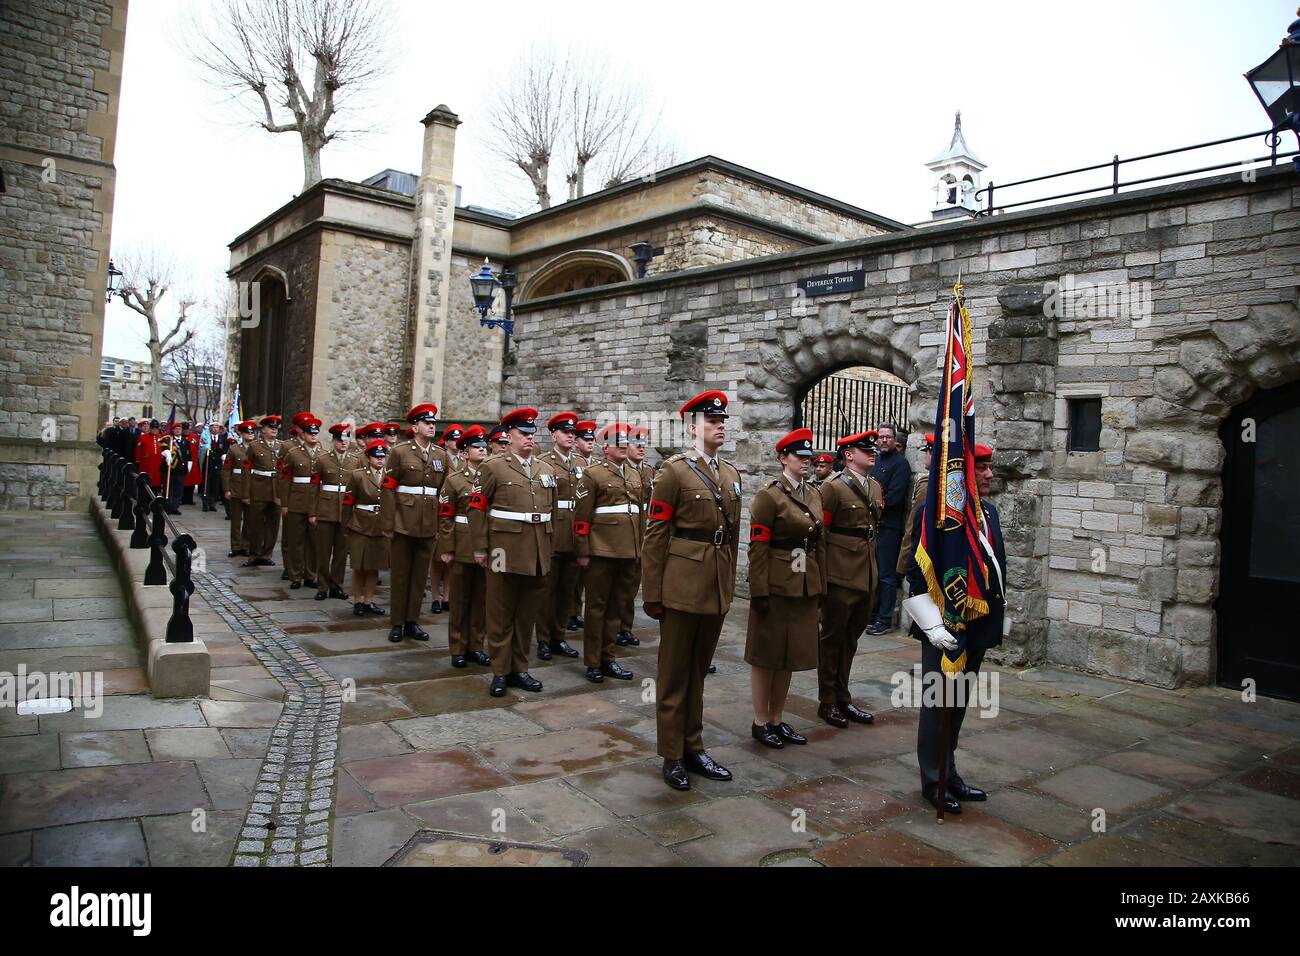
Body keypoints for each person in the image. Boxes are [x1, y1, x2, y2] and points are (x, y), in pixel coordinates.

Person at [642, 389, 741, 791]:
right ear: (693, 426)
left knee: (698, 671)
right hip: (681, 584)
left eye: (723, 421)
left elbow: (732, 537)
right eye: (713, 421)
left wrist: (729, 583)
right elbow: (656, 534)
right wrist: (652, 592)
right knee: (674, 673)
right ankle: (672, 754)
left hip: (715, 584)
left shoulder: (731, 473)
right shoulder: (673, 472)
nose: (720, 426)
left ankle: (694, 746)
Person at [908, 442, 1005, 815]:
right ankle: (933, 780)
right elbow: (917, 575)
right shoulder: (935, 517)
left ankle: (950, 771)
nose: (989, 475)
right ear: (963, 471)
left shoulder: (989, 514)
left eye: (989, 468)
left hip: (977, 623)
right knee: (937, 704)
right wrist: (931, 626)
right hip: (945, 626)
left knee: (958, 702)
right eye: (981, 468)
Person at [745, 428, 826, 749]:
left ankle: (778, 718)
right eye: (799, 457)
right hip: (777, 583)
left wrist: (820, 584)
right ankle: (760, 720)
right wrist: (759, 590)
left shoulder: (813, 493)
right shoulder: (770, 495)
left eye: (808, 457)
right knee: (767, 654)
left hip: (804, 580)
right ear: (783, 459)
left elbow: (819, 543)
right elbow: (758, 546)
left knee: (791, 652)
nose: (805, 462)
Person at [469, 408, 556, 697]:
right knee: (500, 611)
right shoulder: (493, 467)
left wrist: (548, 549)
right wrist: (481, 548)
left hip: (536, 550)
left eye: (532, 434)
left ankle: (520, 668)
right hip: (503, 550)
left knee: (526, 614)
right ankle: (500, 671)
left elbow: (551, 512)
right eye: (523, 434)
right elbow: (477, 509)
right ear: (510, 436)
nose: (529, 439)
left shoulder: (545, 470)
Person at [817, 430, 883, 728]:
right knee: (832, 639)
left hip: (865, 572)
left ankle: (843, 697)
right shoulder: (832, 488)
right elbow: (821, 535)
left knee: (851, 639)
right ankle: (828, 700)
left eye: (873, 448)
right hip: (839, 573)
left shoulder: (875, 487)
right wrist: (821, 577)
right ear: (848, 455)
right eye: (864, 449)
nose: (872, 452)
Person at [573, 421, 642, 683]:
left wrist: (639, 547)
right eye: (618, 444)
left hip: (628, 551)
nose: (624, 447)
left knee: (617, 606)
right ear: (605, 449)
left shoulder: (634, 474)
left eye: (626, 443)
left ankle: (608, 657)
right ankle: (592, 661)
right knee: (596, 607)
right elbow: (582, 516)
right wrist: (582, 550)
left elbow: (640, 515)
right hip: (601, 550)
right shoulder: (593, 474)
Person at [382, 404, 449, 643]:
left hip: (428, 523)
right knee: (401, 575)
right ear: (414, 427)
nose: (432, 426)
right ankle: (397, 623)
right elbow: (388, 489)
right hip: (403, 521)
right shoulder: (400, 452)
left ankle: (413, 621)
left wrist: (441, 525)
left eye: (433, 423)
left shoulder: (441, 454)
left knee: (420, 576)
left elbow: (444, 492)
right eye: (426, 422)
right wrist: (389, 523)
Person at [437, 425, 491, 668]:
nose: (482, 450)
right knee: (459, 599)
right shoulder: (454, 480)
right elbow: (446, 516)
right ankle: (458, 647)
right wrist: (447, 547)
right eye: (477, 447)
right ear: (465, 452)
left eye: (484, 447)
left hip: (488, 544)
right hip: (462, 542)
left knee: (482, 599)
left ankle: (476, 645)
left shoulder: (492, 476)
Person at [533, 411, 582, 661]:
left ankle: (559, 636)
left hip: (574, 535)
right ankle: (543, 638)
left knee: (567, 590)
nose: (571, 436)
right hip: (552, 532)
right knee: (547, 590)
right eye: (566, 432)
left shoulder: (582, 464)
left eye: (573, 433)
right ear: (554, 435)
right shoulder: (543, 462)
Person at [866, 423, 912, 635]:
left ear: (895, 440)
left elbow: (893, 497)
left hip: (888, 527)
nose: (884, 440)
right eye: (881, 437)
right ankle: (873, 614)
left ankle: (884, 619)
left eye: (888, 437)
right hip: (872, 525)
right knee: (872, 573)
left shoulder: (900, 464)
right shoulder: (874, 461)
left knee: (886, 575)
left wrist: (870, 504)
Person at [310, 422, 362, 601]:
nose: (343, 443)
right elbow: (314, 487)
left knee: (341, 552)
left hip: (346, 512)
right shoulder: (322, 460)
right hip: (325, 510)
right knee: (323, 552)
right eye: (340, 440)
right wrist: (312, 512)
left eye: (346, 440)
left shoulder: (355, 461)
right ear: (333, 441)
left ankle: (336, 585)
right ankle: (322, 586)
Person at [616, 424, 655, 648]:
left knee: (632, 584)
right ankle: (615, 627)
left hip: (643, 533)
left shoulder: (648, 471)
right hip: (623, 533)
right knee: (619, 585)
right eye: (636, 443)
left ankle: (625, 628)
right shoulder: (620, 469)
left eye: (644, 443)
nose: (641, 447)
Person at [346, 439, 390, 617]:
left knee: (374, 566)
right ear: (368, 457)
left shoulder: (389, 475)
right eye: (376, 456)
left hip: (380, 525)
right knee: (359, 565)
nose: (380, 460)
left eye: (382, 456)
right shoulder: (358, 475)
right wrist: (346, 525)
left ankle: (369, 601)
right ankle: (357, 601)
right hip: (360, 524)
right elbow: (348, 501)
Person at [279, 413, 323, 590]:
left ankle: (310, 575)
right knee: (296, 541)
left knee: (313, 542)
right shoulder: (293, 454)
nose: (313, 435)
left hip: (315, 503)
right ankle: (295, 574)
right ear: (303, 435)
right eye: (309, 433)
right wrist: (285, 503)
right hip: (296, 501)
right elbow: (285, 479)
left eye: (315, 433)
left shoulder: (323, 455)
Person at [242, 415, 284, 568]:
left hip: (276, 489)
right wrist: (246, 493)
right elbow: (247, 469)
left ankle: (267, 554)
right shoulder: (255, 446)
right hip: (259, 487)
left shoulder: (282, 446)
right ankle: (254, 554)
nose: (274, 430)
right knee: (256, 523)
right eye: (271, 428)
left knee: (273, 523)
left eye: (276, 428)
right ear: (264, 429)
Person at [896, 432, 933, 581]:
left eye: (928, 452)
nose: (925, 457)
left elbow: (913, 525)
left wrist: (902, 564)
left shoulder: (927, 485)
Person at [224, 420, 255, 557]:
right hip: (236, 486)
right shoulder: (234, 449)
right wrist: (227, 488)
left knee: (250, 520)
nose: (250, 434)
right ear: (241, 434)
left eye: (252, 432)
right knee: (236, 520)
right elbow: (226, 470)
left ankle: (246, 545)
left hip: (253, 487)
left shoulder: (257, 448)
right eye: (247, 432)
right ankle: (235, 546)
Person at [134, 419, 163, 498]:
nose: (154, 430)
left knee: (156, 480)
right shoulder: (143, 437)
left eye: (156, 428)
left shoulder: (161, 437)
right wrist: (137, 460)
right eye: (153, 428)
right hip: (146, 462)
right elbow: (138, 449)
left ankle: (155, 494)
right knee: (147, 479)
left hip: (157, 462)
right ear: (150, 428)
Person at [202, 422, 225, 512]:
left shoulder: (222, 438)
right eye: (213, 427)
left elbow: (224, 449)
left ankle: (212, 503)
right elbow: (202, 447)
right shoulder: (205, 437)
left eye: (217, 427)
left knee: (215, 485)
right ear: (210, 428)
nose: (215, 429)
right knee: (206, 485)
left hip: (218, 464)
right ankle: (205, 504)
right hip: (208, 463)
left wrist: (223, 455)